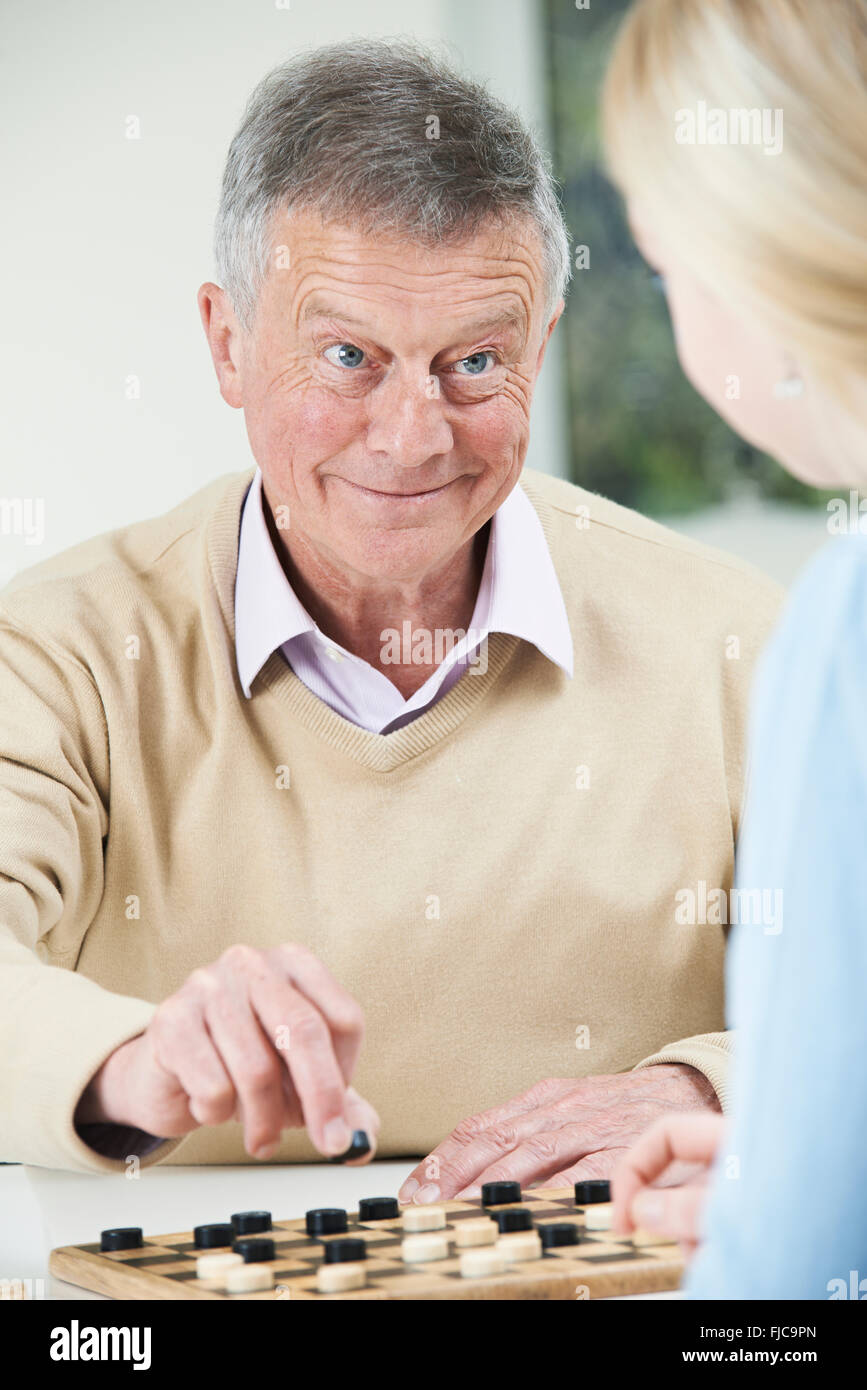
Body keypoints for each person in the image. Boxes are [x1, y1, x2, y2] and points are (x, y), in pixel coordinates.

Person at [0, 39, 780, 1183]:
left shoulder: (738, 642)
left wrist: (711, 1081)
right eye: (350, 356)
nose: (413, 436)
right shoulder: (61, 648)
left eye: (473, 362)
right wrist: (129, 1060)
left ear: (542, 345)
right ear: (229, 342)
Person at [602, 0, 867, 1295]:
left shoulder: (840, 631)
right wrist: (802, 1159)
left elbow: (784, 1294)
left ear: (759, 253)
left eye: (663, 261)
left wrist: (786, 1218)